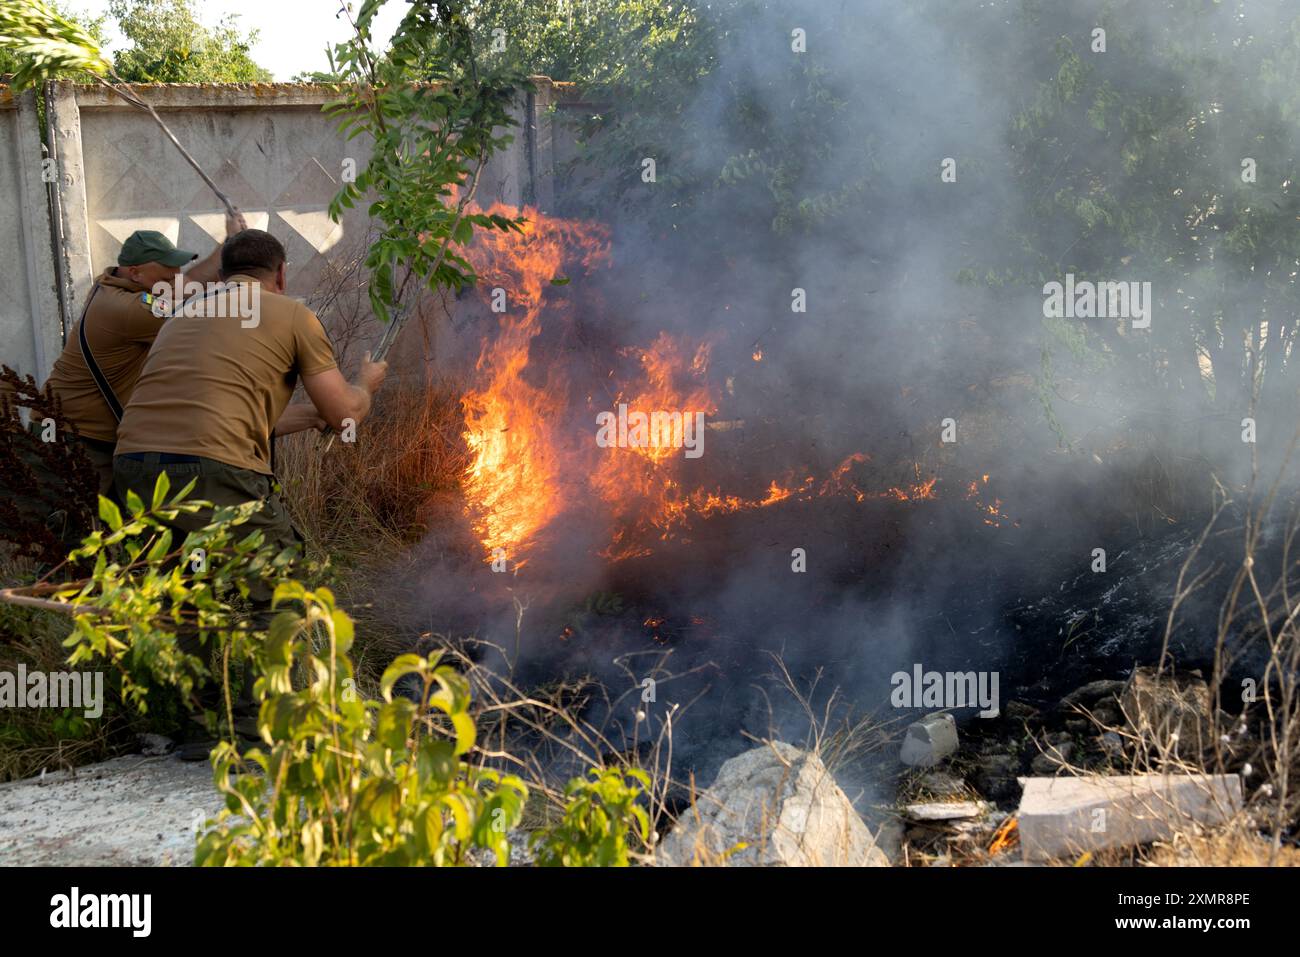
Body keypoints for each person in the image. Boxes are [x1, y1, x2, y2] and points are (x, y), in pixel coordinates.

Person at [112, 228, 387, 757]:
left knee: (187, 592)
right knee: (276, 586)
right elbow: (346, 412)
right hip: (215, 469)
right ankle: (254, 733)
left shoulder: (184, 314)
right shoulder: (291, 314)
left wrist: (312, 420)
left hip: (138, 466)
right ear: (280, 274)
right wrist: (366, 382)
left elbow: (237, 415)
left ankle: (200, 728)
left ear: (223, 274)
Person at [43, 214, 247, 498]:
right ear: (136, 272)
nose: (175, 277)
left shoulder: (114, 285)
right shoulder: (128, 309)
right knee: (78, 529)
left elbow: (187, 284)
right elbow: (193, 309)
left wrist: (229, 242)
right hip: (75, 439)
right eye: (167, 272)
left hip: (79, 432)